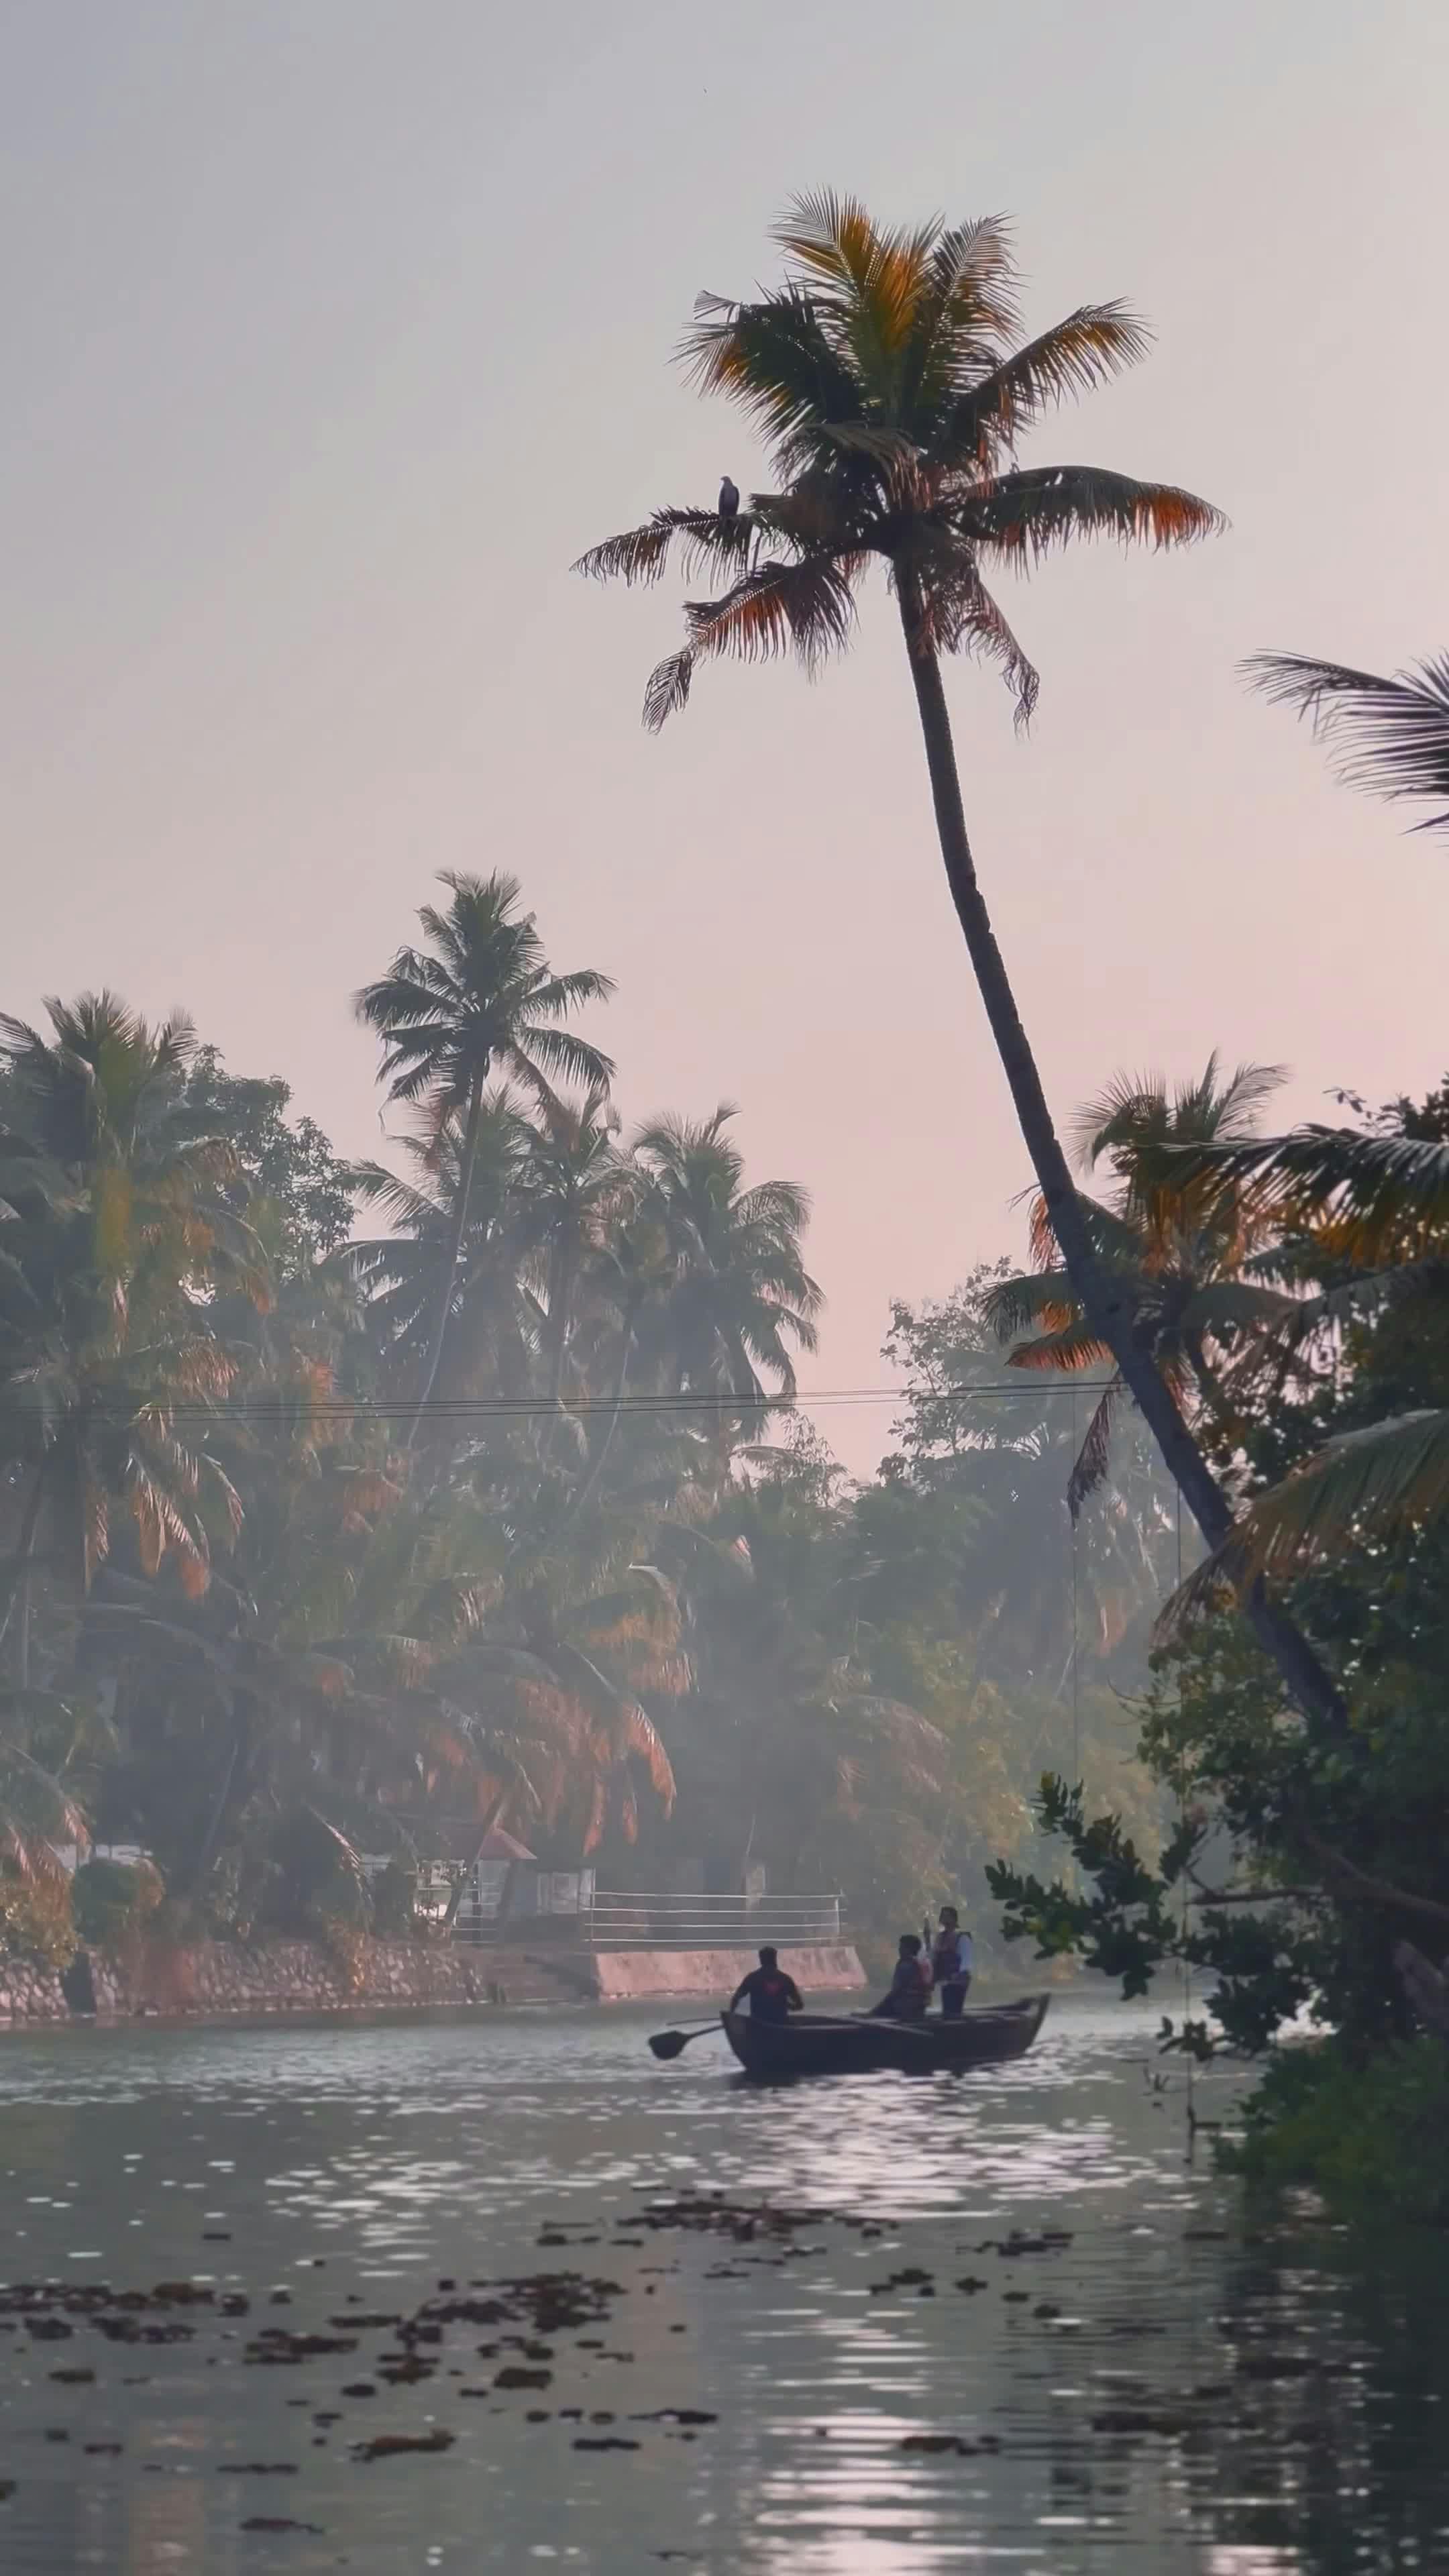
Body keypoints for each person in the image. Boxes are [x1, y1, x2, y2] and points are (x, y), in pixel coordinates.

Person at [729, 1946, 804, 2023]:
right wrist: (786, 2005)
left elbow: (736, 1998)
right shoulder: (785, 1979)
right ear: (775, 1959)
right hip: (780, 2024)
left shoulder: (752, 1978)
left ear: (761, 1960)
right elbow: (800, 2005)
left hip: (758, 2024)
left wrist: (731, 2016)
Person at [867, 1933, 932, 2020]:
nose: (899, 1949)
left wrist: (874, 2011)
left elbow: (895, 1992)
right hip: (920, 2008)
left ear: (908, 1949)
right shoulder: (924, 1963)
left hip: (906, 2008)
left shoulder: (905, 1964)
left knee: (877, 2013)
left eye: (902, 1947)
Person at [930, 1906, 973, 2018]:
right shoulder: (940, 1937)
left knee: (954, 2010)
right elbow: (933, 1956)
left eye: (947, 1915)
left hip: (958, 1980)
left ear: (954, 1919)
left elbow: (966, 1959)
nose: (944, 1918)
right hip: (945, 1979)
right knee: (947, 2009)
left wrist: (959, 1975)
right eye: (943, 1915)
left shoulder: (962, 1937)